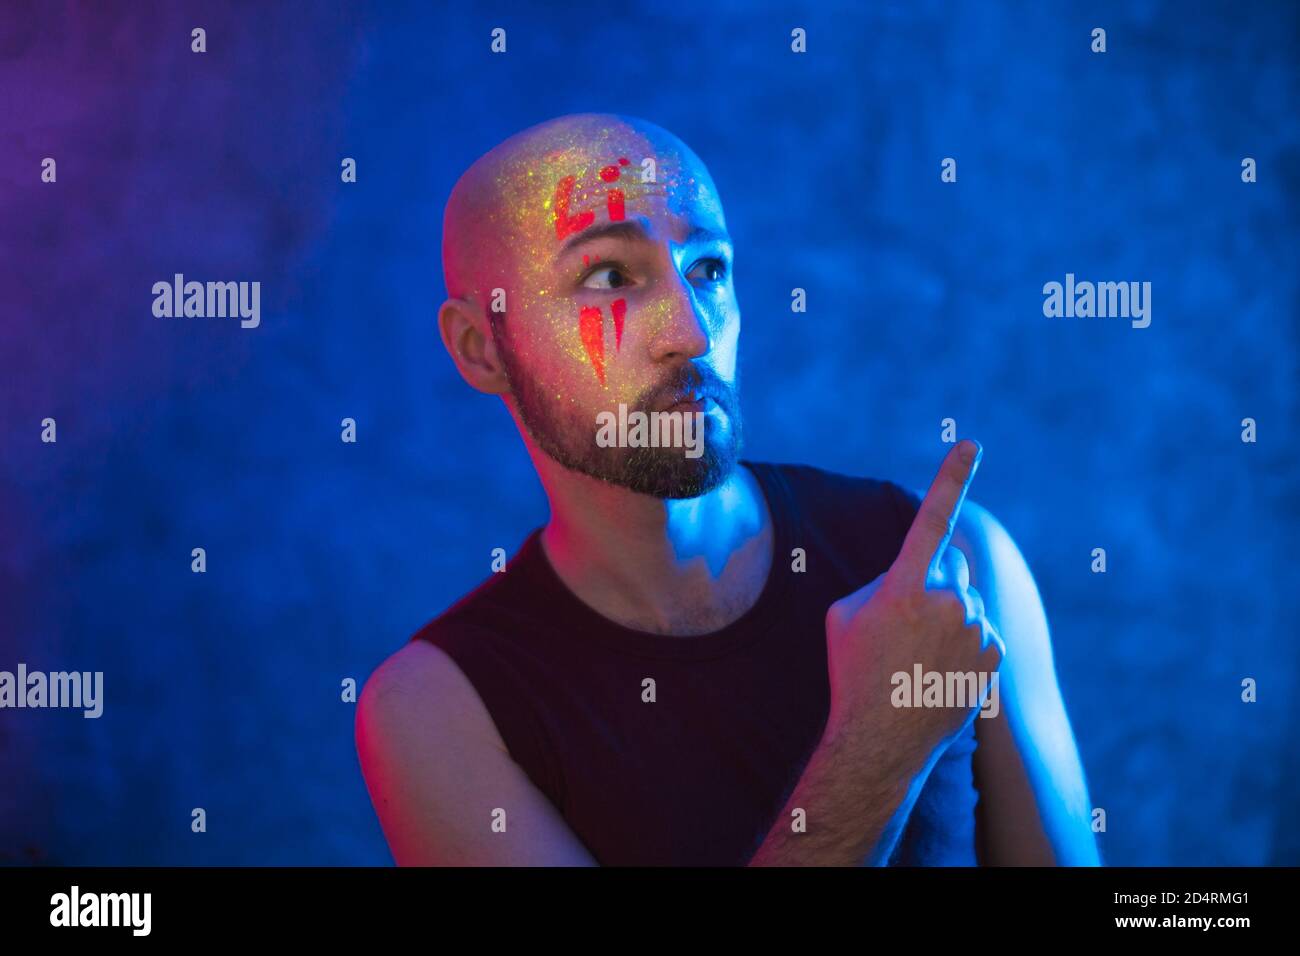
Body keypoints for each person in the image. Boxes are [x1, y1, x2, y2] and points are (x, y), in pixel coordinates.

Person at [355, 113, 1100, 866]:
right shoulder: (439, 710)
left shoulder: (950, 563)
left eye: (708, 270)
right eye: (610, 277)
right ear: (481, 348)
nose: (692, 332)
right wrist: (879, 744)